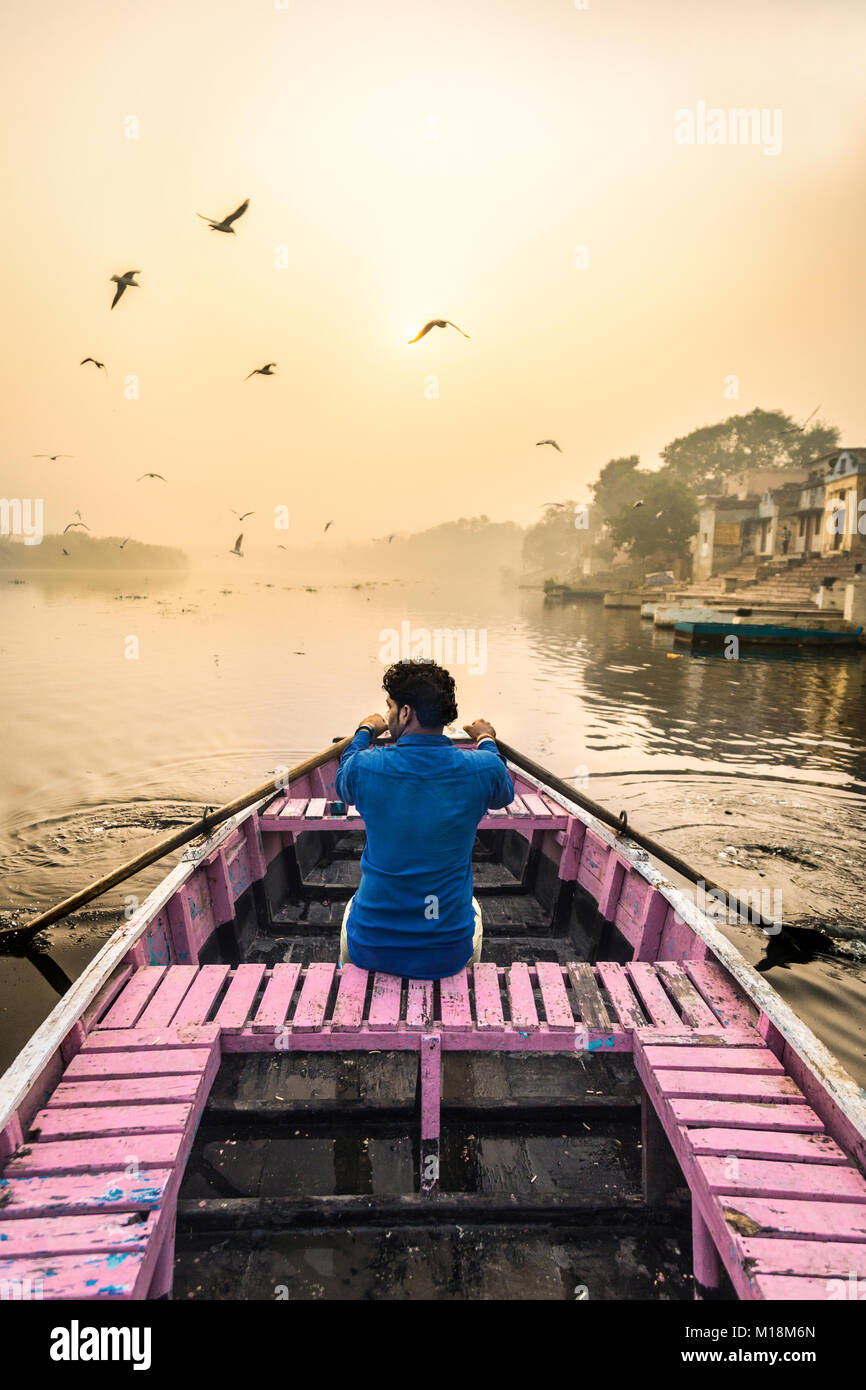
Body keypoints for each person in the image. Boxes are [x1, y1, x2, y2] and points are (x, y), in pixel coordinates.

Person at [335, 659, 514, 978]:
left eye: (390, 708)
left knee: (352, 906)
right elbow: (503, 792)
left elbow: (343, 782)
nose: (389, 716)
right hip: (447, 955)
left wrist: (365, 731)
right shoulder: (483, 769)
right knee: (473, 908)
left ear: (405, 713)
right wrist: (486, 738)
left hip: (370, 947)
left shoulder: (365, 767)